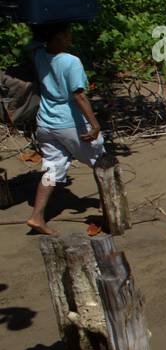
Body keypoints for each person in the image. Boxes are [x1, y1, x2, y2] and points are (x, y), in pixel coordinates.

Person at [23, 21, 105, 235]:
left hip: (46, 123)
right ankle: (108, 207)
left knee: (51, 169)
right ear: (58, 37)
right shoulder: (71, 61)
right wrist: (95, 125)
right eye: (66, 34)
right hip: (70, 124)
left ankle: (37, 216)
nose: (69, 37)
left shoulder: (38, 54)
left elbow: (31, 44)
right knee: (102, 163)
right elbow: (78, 95)